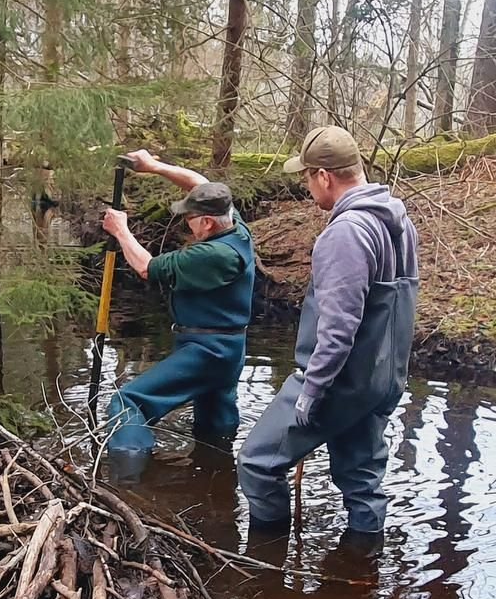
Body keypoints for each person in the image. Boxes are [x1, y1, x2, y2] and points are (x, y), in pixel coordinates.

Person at [237, 126, 419, 534]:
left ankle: (267, 568)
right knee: (362, 481)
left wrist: (312, 392)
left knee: (257, 463)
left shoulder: (345, 234)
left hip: (339, 382)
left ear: (324, 176)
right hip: (381, 378)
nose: (307, 187)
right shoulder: (399, 223)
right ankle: (360, 576)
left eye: (307, 177)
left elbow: (338, 329)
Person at [97, 151, 258, 476]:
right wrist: (153, 167)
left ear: (208, 222)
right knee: (214, 424)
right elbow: (200, 182)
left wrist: (121, 231)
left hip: (206, 351)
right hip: (229, 349)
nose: (187, 222)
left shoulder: (211, 255)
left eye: (190, 218)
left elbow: (145, 267)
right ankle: (217, 483)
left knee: (129, 402)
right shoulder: (236, 228)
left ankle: (128, 482)